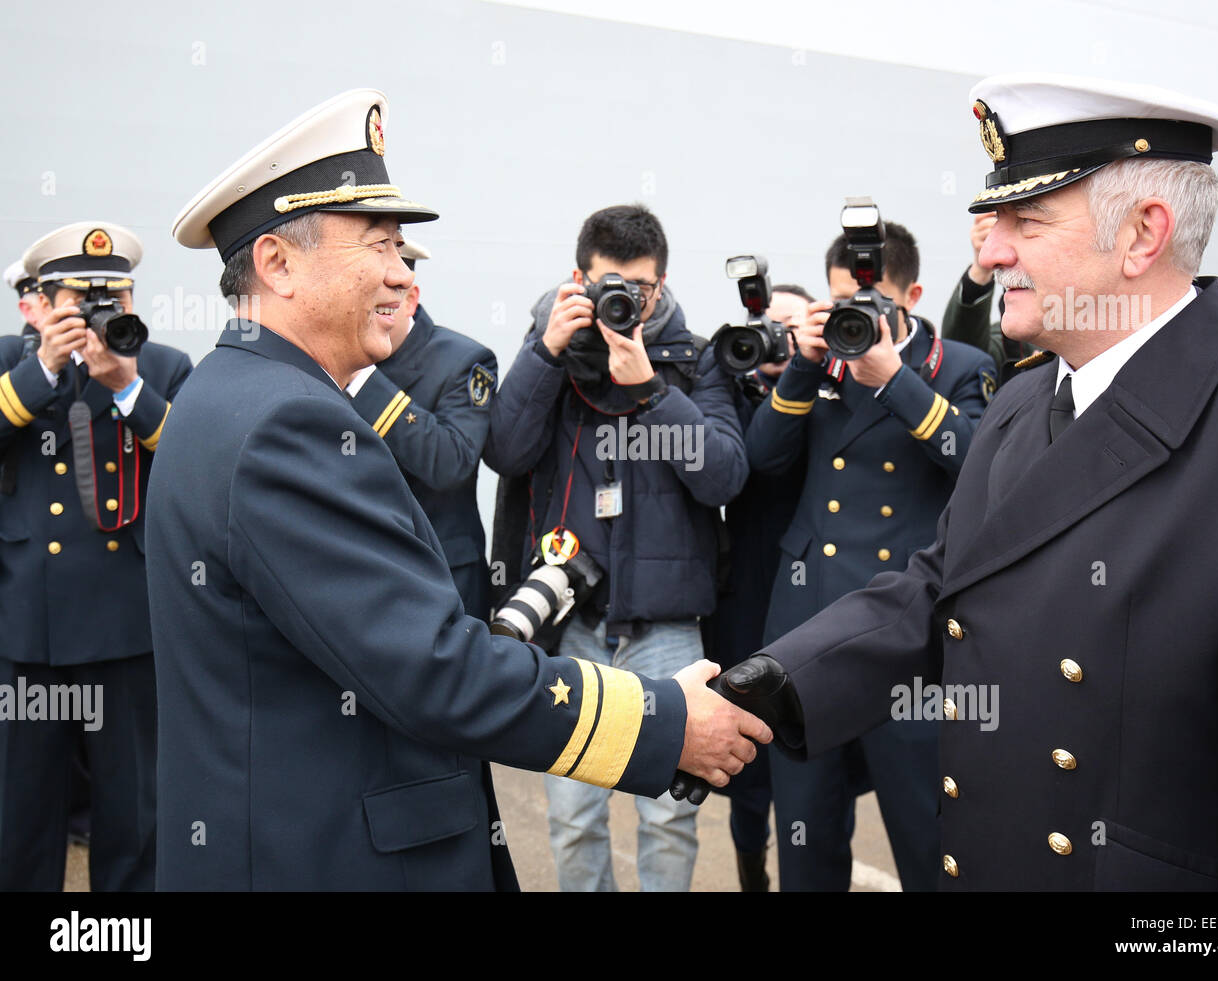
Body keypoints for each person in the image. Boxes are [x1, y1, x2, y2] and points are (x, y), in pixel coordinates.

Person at [154, 89, 769, 891]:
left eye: (401, 249)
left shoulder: (228, 392)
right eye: (378, 245)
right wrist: (661, 717)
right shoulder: (287, 424)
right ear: (276, 263)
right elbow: (434, 671)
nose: (400, 272)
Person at [710, 74, 1218, 890]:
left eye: (1026, 220)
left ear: (1142, 234)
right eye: (992, 222)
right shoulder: (1025, 400)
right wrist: (758, 693)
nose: (989, 253)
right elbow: (938, 592)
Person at [484, 203, 749, 891]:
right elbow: (506, 451)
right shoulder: (551, 347)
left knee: (668, 815)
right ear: (580, 278)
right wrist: (546, 353)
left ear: (662, 285)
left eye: (643, 289)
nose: (626, 301)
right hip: (574, 621)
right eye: (610, 285)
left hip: (665, 626)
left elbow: (725, 471)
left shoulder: (691, 360)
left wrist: (654, 390)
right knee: (573, 815)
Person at [743, 222, 995, 891]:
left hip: (902, 629)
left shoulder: (962, 366)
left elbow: (978, 468)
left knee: (925, 828)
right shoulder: (819, 366)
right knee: (806, 827)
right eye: (841, 303)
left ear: (912, 294)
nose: (856, 318)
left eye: (872, 302)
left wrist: (893, 380)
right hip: (809, 617)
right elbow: (761, 461)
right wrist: (801, 360)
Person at [0, 221, 192, 890]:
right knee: (20, 816)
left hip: (125, 629)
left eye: (116, 300)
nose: (100, 316)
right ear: (42, 303)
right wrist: (44, 369)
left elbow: (194, 471)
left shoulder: (162, 368)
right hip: (28, 630)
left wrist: (129, 390)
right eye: (84, 301)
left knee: (132, 818)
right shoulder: (9, 362)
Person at [702, 283, 812, 891]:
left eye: (793, 327)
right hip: (743, 591)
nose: (778, 339)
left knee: (803, 741)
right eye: (769, 327)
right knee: (745, 741)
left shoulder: (827, 390)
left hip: (810, 590)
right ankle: (751, 871)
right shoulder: (729, 392)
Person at [345, 238, 496, 620]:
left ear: (410, 299)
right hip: (357, 569)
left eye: (382, 302)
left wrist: (364, 378)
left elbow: (450, 462)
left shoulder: (464, 360)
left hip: (439, 574)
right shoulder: (334, 358)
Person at [940, 213, 1039, 384]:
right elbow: (963, 358)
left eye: (1028, 223)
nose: (1002, 261)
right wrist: (980, 269)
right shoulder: (1014, 339)